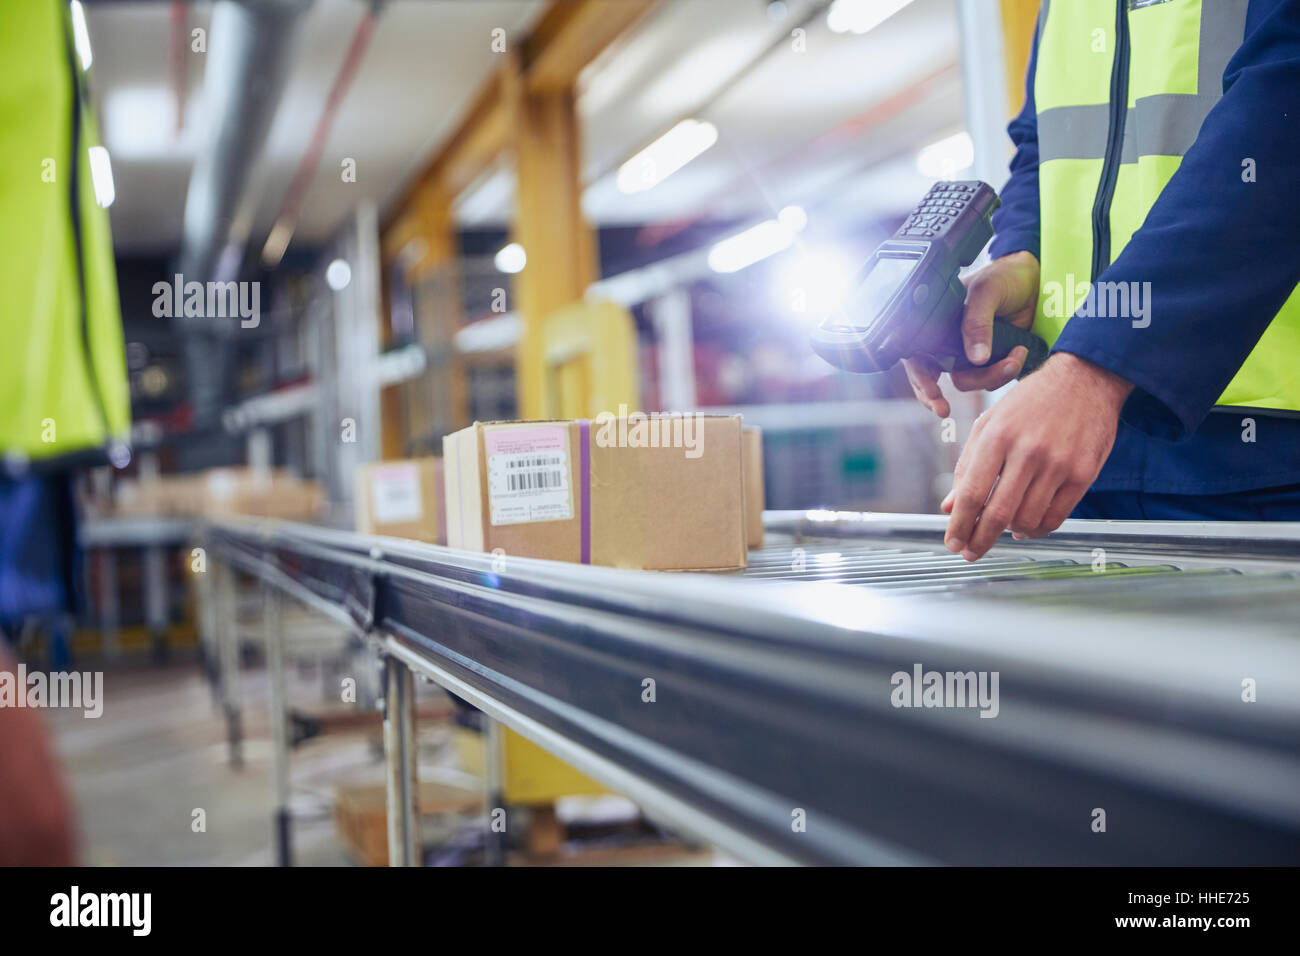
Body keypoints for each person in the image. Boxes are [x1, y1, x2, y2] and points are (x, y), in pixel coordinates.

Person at [903, 0, 1300, 561]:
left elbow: (1280, 124)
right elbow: (1045, 144)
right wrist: (1025, 258)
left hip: (1268, 460)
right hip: (1080, 465)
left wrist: (1099, 368)